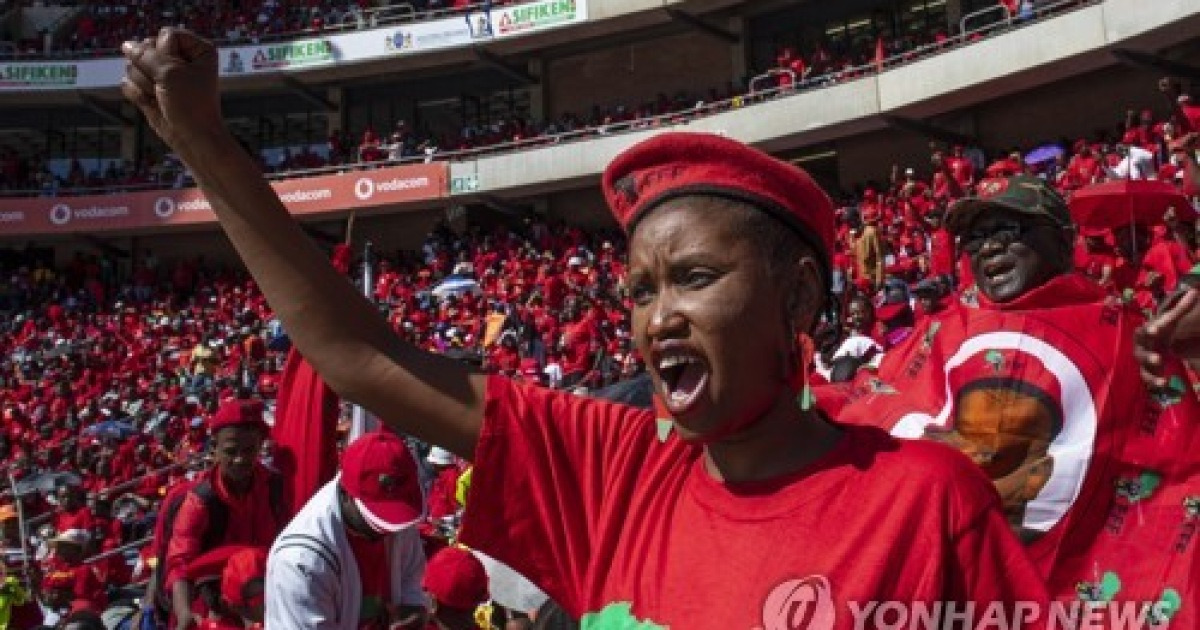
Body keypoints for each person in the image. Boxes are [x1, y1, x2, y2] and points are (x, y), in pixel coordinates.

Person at [122, 30, 1046, 628]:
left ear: (799, 298)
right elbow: (357, 355)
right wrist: (203, 142)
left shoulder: (926, 504)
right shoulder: (612, 469)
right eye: (641, 290)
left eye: (695, 278)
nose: (658, 317)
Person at [832, 174, 1200, 622]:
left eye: (1007, 230)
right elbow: (873, 407)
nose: (988, 248)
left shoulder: (1128, 334)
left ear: (1062, 241)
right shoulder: (940, 331)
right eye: (975, 238)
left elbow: (1173, 467)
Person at [266, 430, 428, 629]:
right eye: (377, 519)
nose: (388, 530)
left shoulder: (399, 516)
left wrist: (413, 606)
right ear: (345, 494)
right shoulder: (301, 562)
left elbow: (412, 572)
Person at [160, 399, 285, 630]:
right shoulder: (199, 501)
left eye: (249, 450)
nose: (240, 459)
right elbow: (180, 563)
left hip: (267, 598)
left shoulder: (275, 487)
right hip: (215, 606)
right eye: (230, 451)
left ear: (261, 446)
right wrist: (185, 613)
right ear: (214, 449)